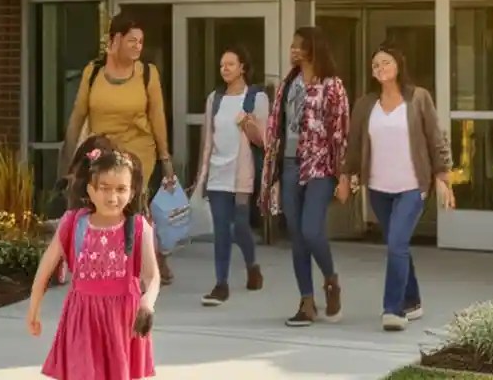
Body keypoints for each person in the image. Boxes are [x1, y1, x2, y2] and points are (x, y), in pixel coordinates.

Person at [344, 45, 455, 331]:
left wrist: (443, 177)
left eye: (386, 62)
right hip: (379, 188)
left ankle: (393, 310)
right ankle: (413, 300)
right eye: (376, 65)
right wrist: (347, 176)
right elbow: (354, 144)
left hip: (412, 186)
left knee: (396, 244)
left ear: (398, 65)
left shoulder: (418, 98)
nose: (380, 68)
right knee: (399, 244)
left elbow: (435, 138)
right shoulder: (365, 104)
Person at [62, 12, 178, 283]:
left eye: (141, 42)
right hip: (103, 150)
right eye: (132, 40)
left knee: (131, 205)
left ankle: (144, 262)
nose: (138, 46)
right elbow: (78, 114)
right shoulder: (93, 72)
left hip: (139, 151)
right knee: (103, 206)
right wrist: (70, 154)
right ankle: (117, 258)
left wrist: (165, 155)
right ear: (115, 39)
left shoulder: (147, 73)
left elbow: (157, 116)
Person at [27, 148, 160, 380]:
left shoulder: (139, 228)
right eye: (104, 188)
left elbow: (152, 276)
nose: (112, 197)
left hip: (123, 321)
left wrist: (147, 303)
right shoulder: (73, 223)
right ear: (90, 189)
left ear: (132, 192)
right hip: (82, 319)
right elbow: (46, 266)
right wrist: (33, 309)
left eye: (121, 189)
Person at [259, 26, 351, 327]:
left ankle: (330, 280)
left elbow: (341, 133)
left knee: (311, 230)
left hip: (320, 166)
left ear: (314, 48)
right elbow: (279, 126)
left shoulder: (332, 85)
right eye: (292, 45)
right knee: (297, 235)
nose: (293, 50)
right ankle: (306, 302)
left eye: (300, 46)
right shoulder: (288, 83)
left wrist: (342, 176)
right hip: (288, 164)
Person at [191, 46, 268, 306]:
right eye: (222, 65)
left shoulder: (256, 98)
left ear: (243, 67)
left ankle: (252, 265)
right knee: (222, 229)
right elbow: (207, 141)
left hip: (241, 174)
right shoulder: (215, 99)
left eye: (230, 64)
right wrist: (202, 176)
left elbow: (264, 141)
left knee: (240, 225)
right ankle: (221, 283)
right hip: (217, 172)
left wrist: (248, 124)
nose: (225, 69)